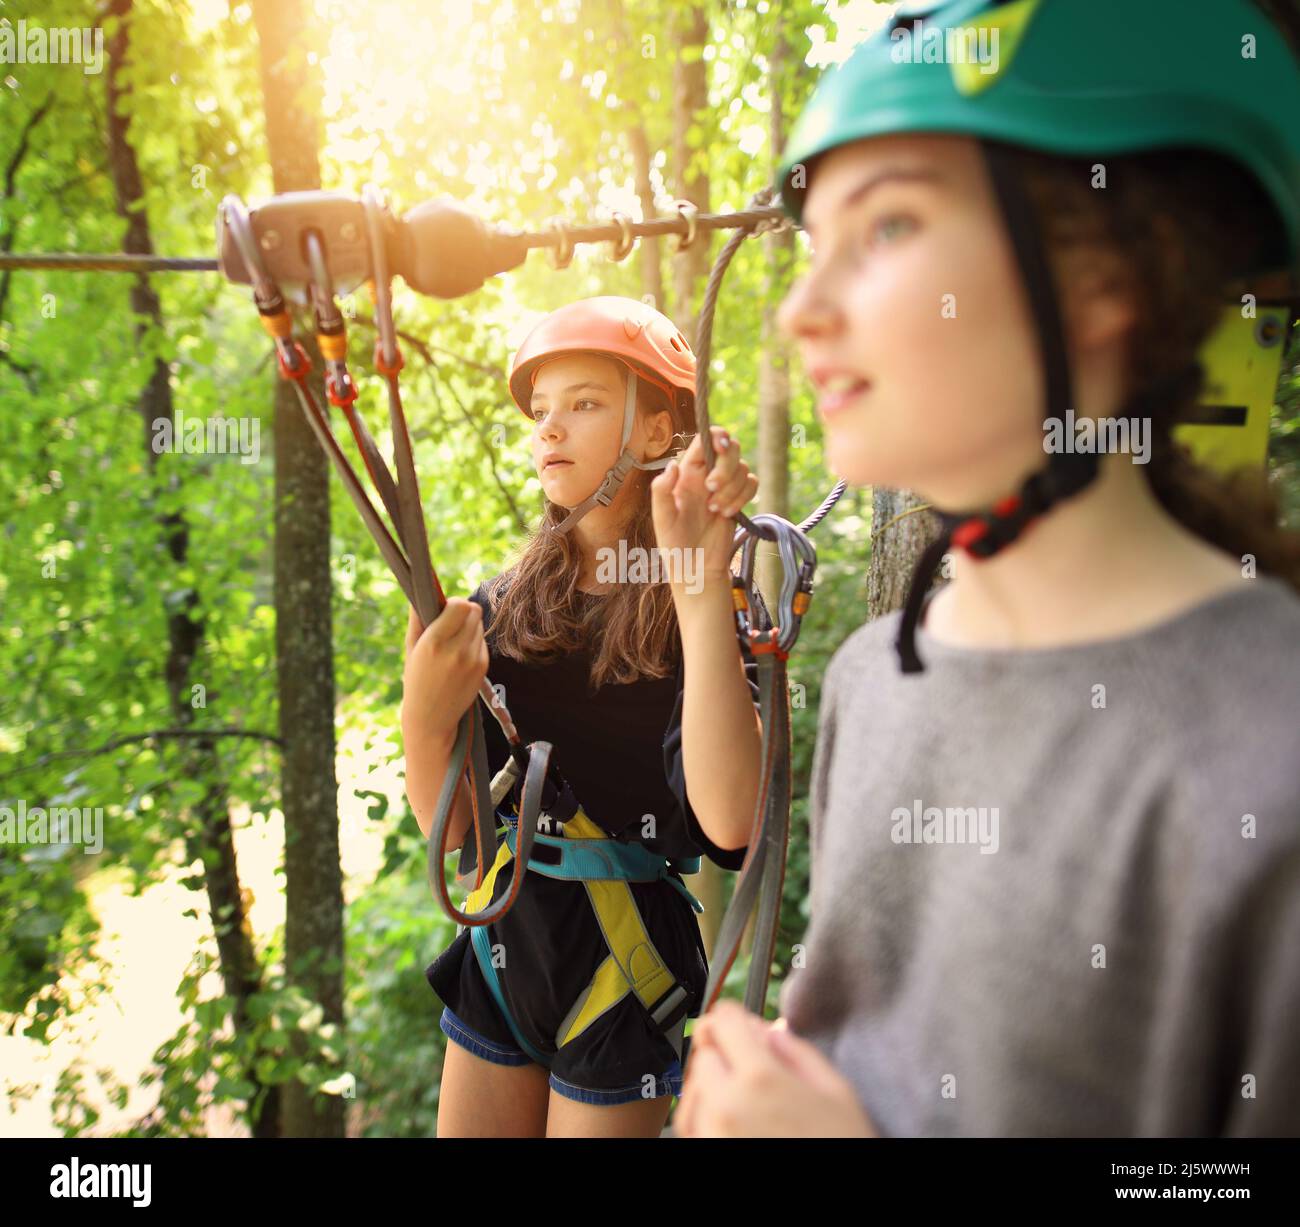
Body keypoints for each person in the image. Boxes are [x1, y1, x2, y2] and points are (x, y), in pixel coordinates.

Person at [675, 0, 1300, 1136]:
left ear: (1109, 275)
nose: (801, 314)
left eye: (891, 229)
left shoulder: (1269, 756)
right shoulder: (877, 676)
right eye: (814, 254)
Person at [402, 296, 762, 1137]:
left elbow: (732, 824)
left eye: (586, 403)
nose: (550, 428)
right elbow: (454, 838)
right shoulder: (503, 609)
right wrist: (423, 717)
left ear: (656, 431)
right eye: (541, 411)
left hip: (625, 960)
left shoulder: (700, 602)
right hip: (507, 939)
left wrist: (701, 589)